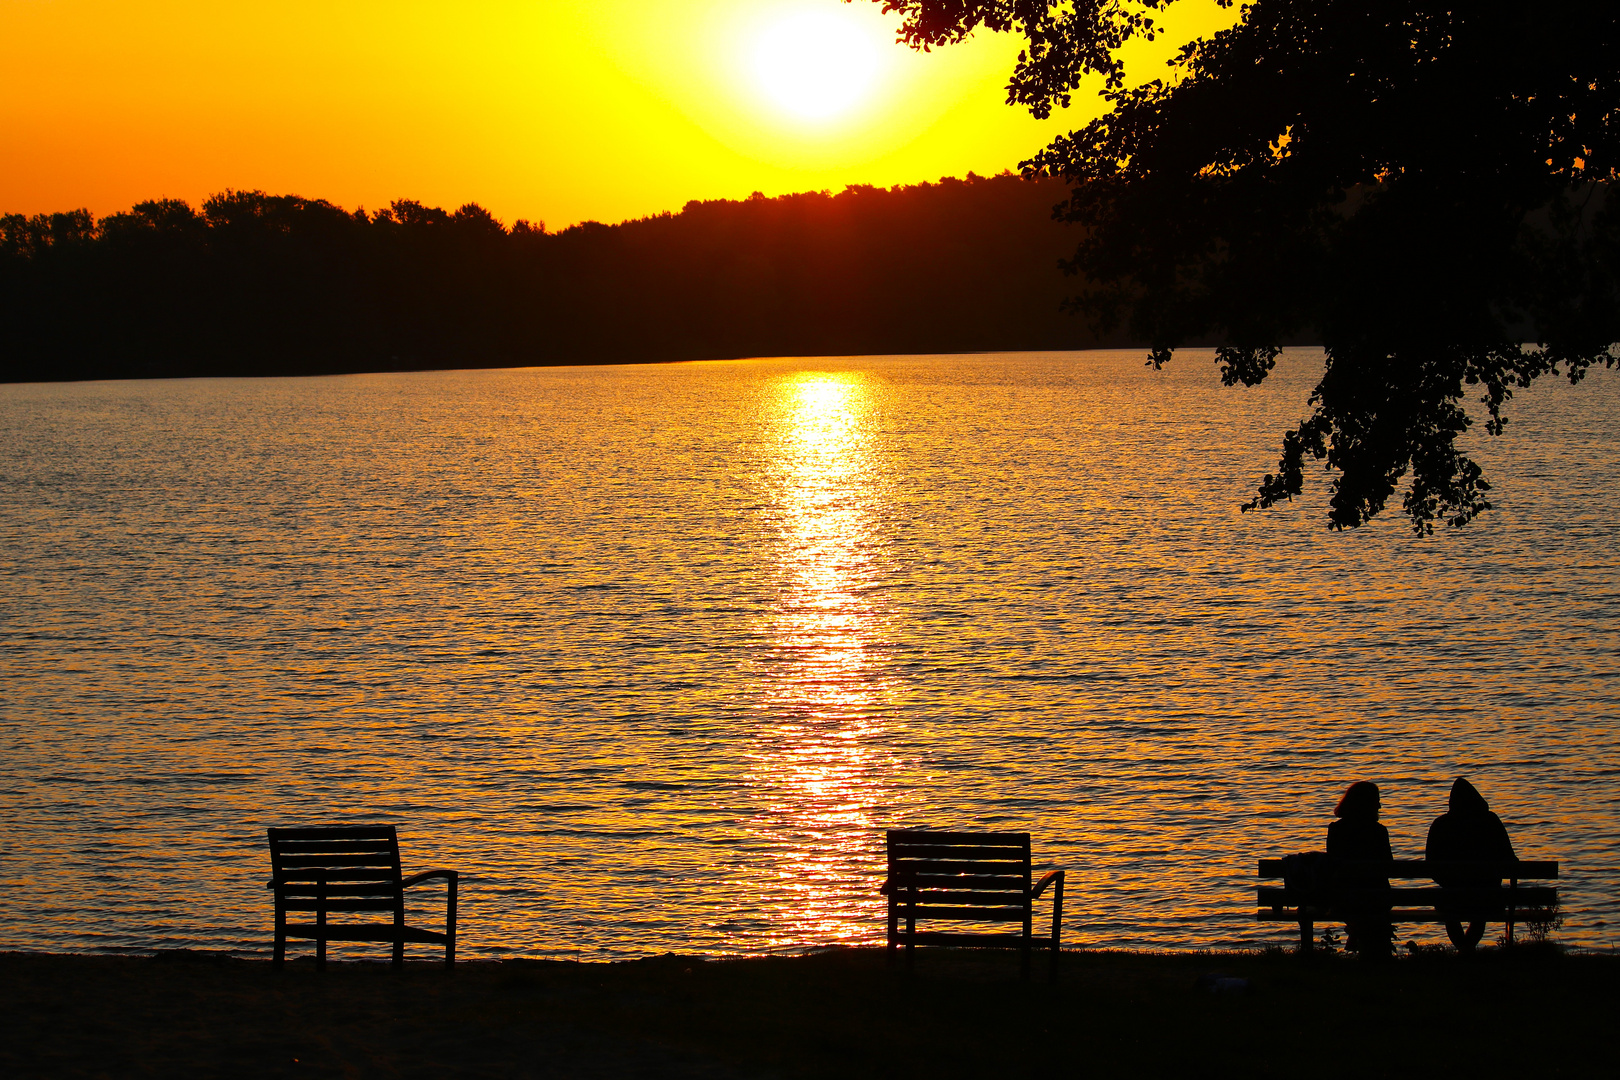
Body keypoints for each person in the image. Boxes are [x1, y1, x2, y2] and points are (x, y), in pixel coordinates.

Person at [1425, 777, 1516, 950]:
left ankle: (1464, 950)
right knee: (1481, 906)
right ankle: (1467, 951)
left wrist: (1449, 882)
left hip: (1452, 898)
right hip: (1489, 897)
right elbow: (1510, 861)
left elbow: (1431, 867)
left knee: (1448, 906)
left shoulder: (1441, 824)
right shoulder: (1490, 821)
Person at [1326, 781, 1393, 957]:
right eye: (1377, 801)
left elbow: (1332, 864)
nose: (1379, 806)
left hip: (1344, 899)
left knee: (1358, 906)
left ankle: (1358, 934)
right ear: (1369, 804)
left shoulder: (1336, 830)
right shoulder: (1379, 831)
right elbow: (1389, 866)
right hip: (1377, 899)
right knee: (1370, 908)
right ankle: (1373, 951)